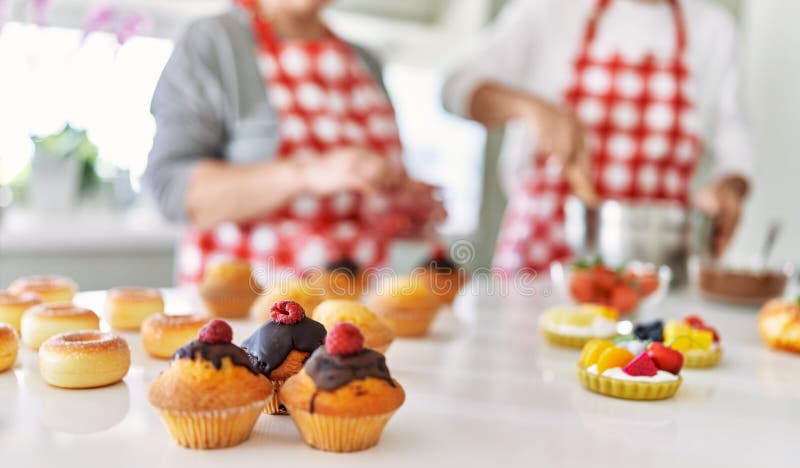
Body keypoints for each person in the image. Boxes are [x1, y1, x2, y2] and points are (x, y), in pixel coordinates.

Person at [443, 0, 754, 272]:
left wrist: (729, 188)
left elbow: (735, 145)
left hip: (655, 270)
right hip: (539, 262)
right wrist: (529, 108)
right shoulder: (550, 8)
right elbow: (455, 88)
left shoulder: (713, 29)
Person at [143, 0, 441, 284]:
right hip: (248, 308)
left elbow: (367, 198)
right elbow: (172, 189)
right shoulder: (215, 42)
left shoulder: (365, 61)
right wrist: (308, 173)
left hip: (360, 302)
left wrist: (398, 205)